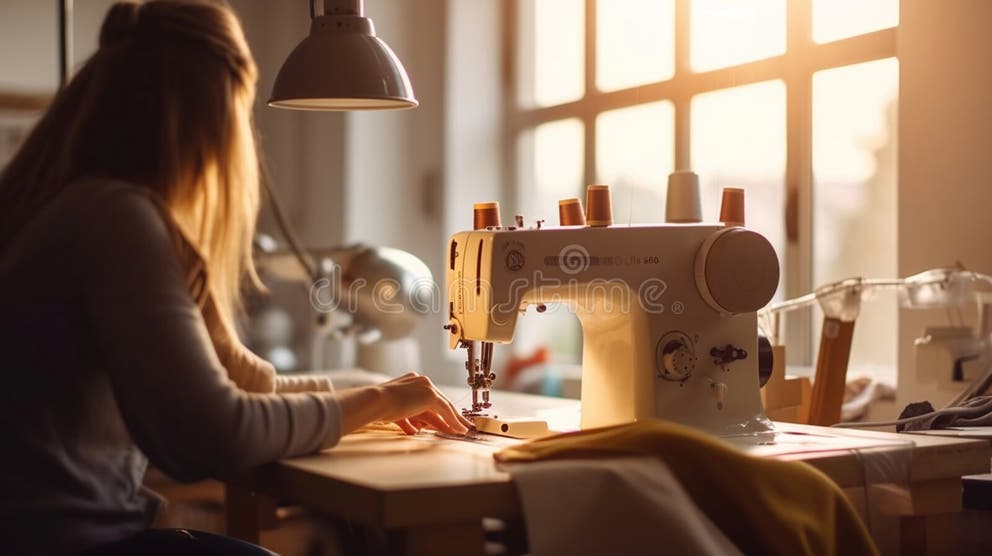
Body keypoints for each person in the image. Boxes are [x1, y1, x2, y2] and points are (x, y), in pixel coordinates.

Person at [0, 1, 470, 554]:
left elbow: (236, 389)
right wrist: (377, 403)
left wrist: (367, 397)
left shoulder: (69, 206)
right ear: (211, 116)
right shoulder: (114, 218)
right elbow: (214, 433)